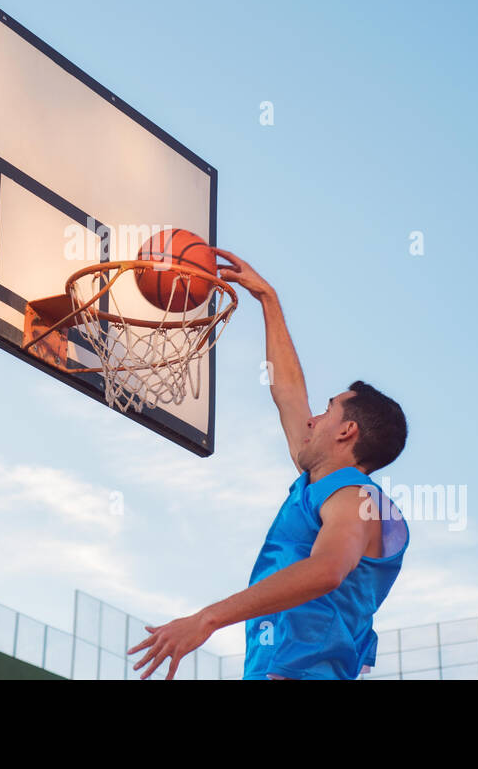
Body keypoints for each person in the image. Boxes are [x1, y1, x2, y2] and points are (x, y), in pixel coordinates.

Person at [127, 249, 409, 680]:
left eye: (328, 410)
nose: (312, 417)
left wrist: (207, 619)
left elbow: (328, 569)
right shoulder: (320, 481)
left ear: (346, 432)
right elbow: (289, 394)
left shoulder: (354, 498)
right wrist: (267, 299)